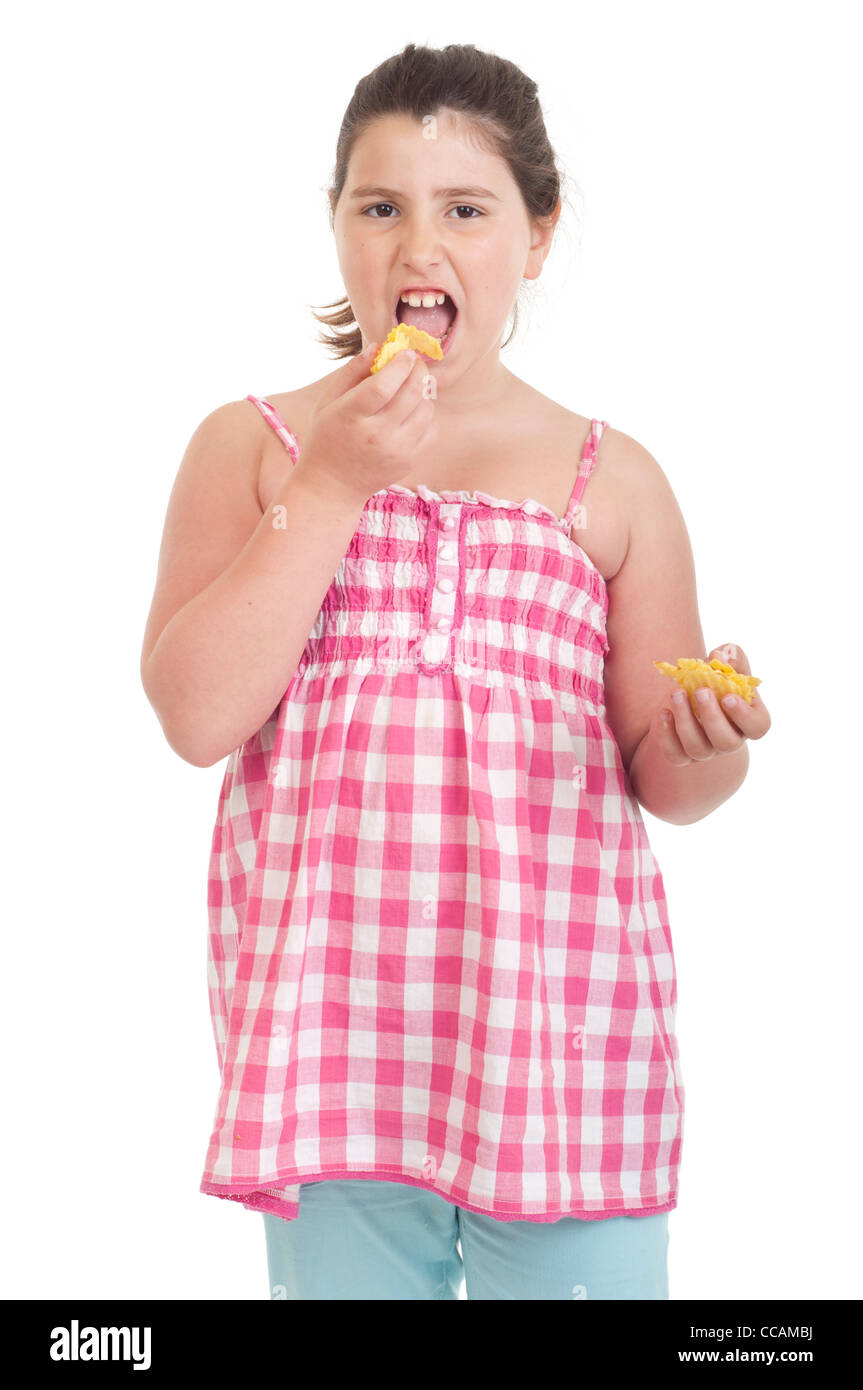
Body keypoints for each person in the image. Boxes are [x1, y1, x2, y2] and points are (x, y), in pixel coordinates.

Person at [140, 42, 771, 1301]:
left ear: (534, 239)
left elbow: (664, 777)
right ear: (336, 229)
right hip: (334, 1062)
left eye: (465, 209)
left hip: (561, 1051)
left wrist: (711, 747)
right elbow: (197, 714)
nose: (418, 246)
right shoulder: (256, 450)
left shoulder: (613, 480)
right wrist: (331, 482)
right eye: (380, 207)